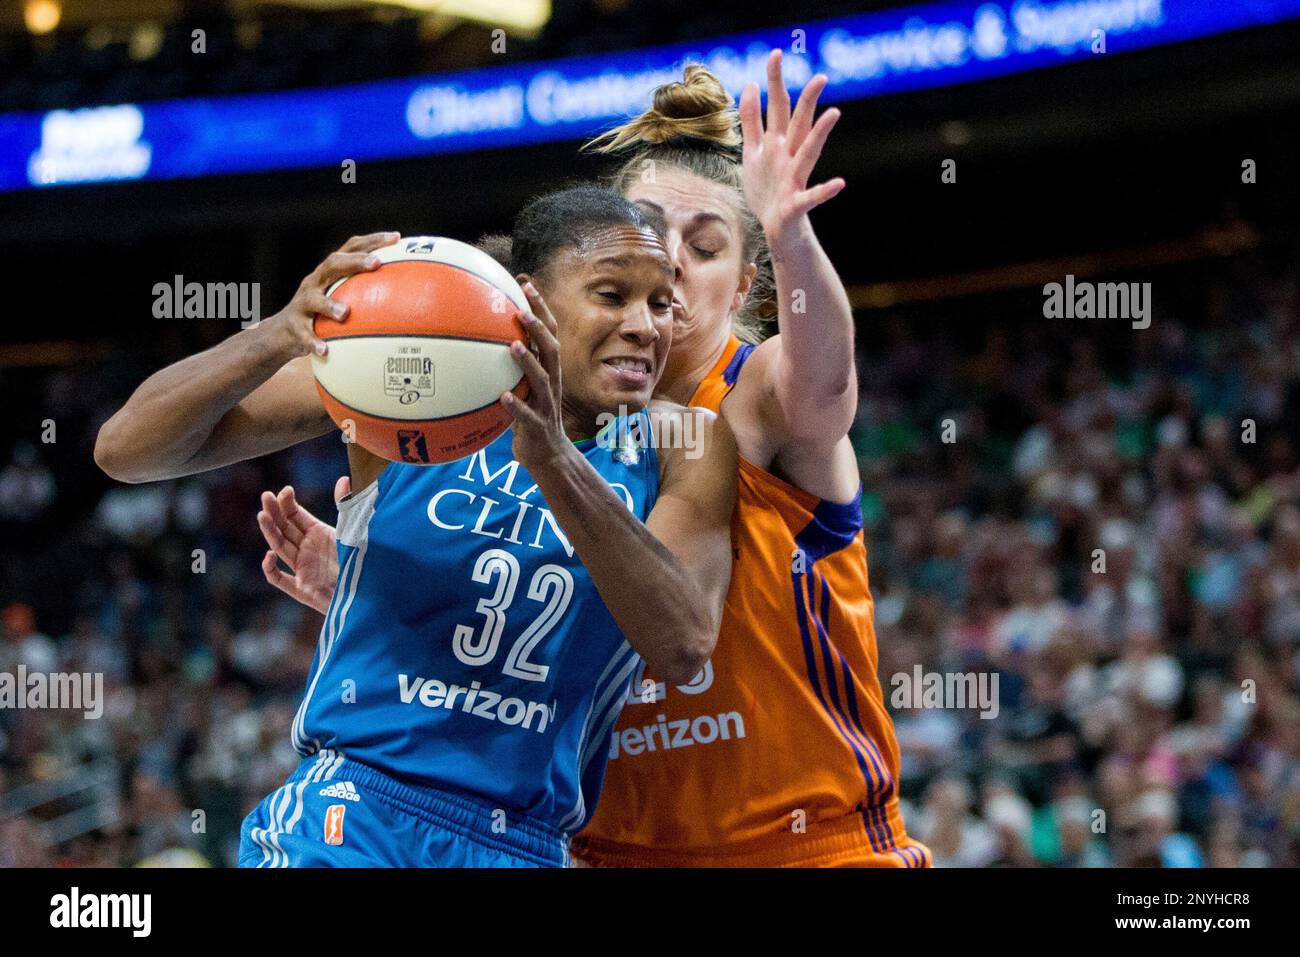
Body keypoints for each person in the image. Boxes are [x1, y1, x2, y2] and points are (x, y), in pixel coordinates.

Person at [255, 54, 931, 868]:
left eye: (706, 245)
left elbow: (826, 381)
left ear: (747, 279)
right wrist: (387, 580)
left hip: (803, 843)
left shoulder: (752, 397)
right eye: (649, 229)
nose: (673, 260)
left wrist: (792, 236)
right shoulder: (532, 409)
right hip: (605, 850)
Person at [95, 186, 738, 866]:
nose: (645, 325)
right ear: (531, 302)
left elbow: (684, 642)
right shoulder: (422, 387)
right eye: (612, 296)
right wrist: (280, 331)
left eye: (661, 302)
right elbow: (127, 448)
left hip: (522, 841)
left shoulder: (680, 443)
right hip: (357, 811)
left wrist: (552, 460)